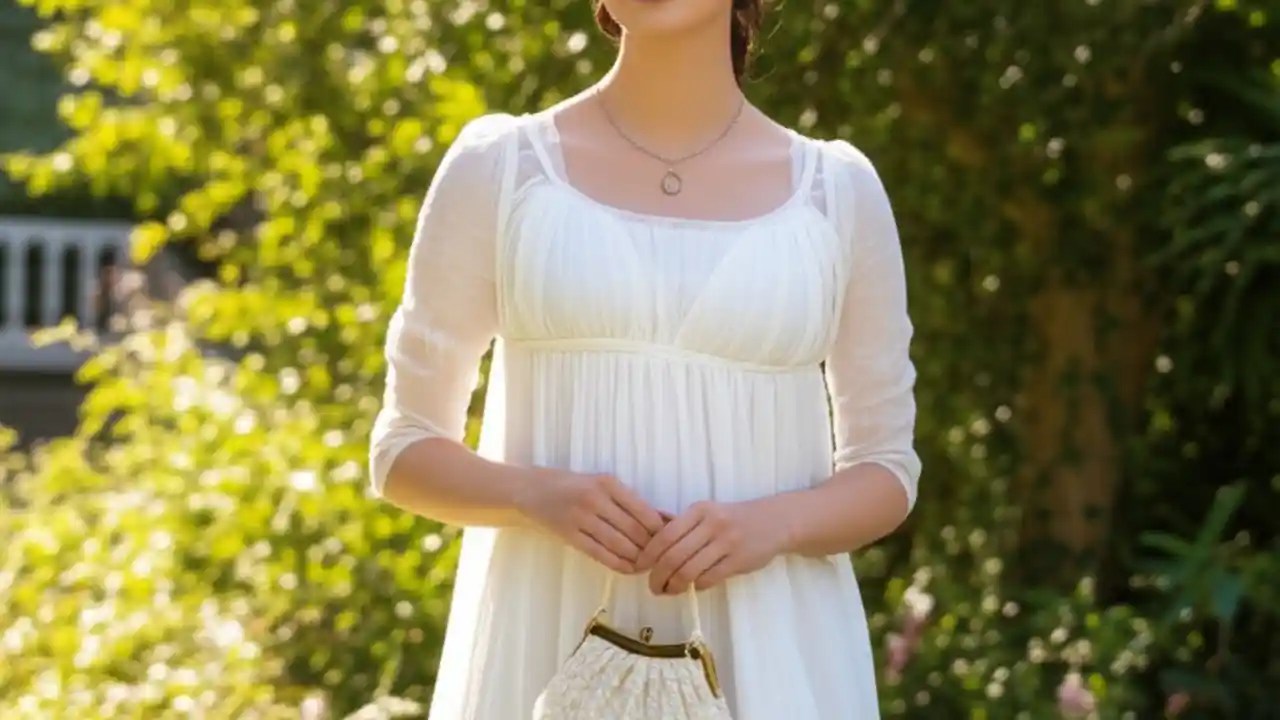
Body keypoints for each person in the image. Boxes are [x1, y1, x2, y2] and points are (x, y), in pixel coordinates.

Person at [367, 0, 922, 716]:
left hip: (777, 659)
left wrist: (771, 525)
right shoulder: (501, 170)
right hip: (542, 645)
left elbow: (887, 470)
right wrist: (533, 495)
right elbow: (401, 450)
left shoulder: (837, 193)